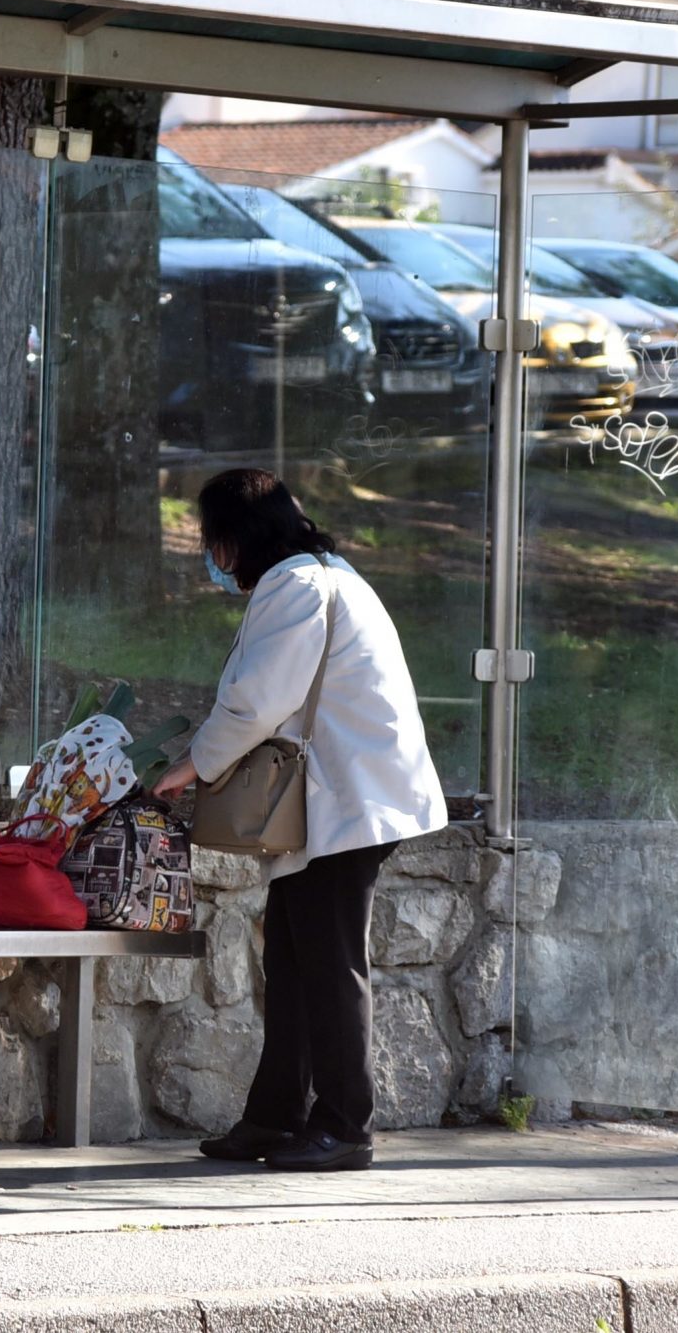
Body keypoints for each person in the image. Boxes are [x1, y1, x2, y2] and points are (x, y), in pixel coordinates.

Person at [153, 467, 446, 1173]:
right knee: (293, 962)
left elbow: (259, 699)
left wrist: (191, 763)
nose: (213, 559)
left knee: (328, 965)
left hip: (348, 803)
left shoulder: (297, 586)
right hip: (348, 799)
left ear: (236, 538)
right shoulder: (323, 575)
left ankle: (346, 1124)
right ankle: (277, 1115)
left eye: (213, 542)